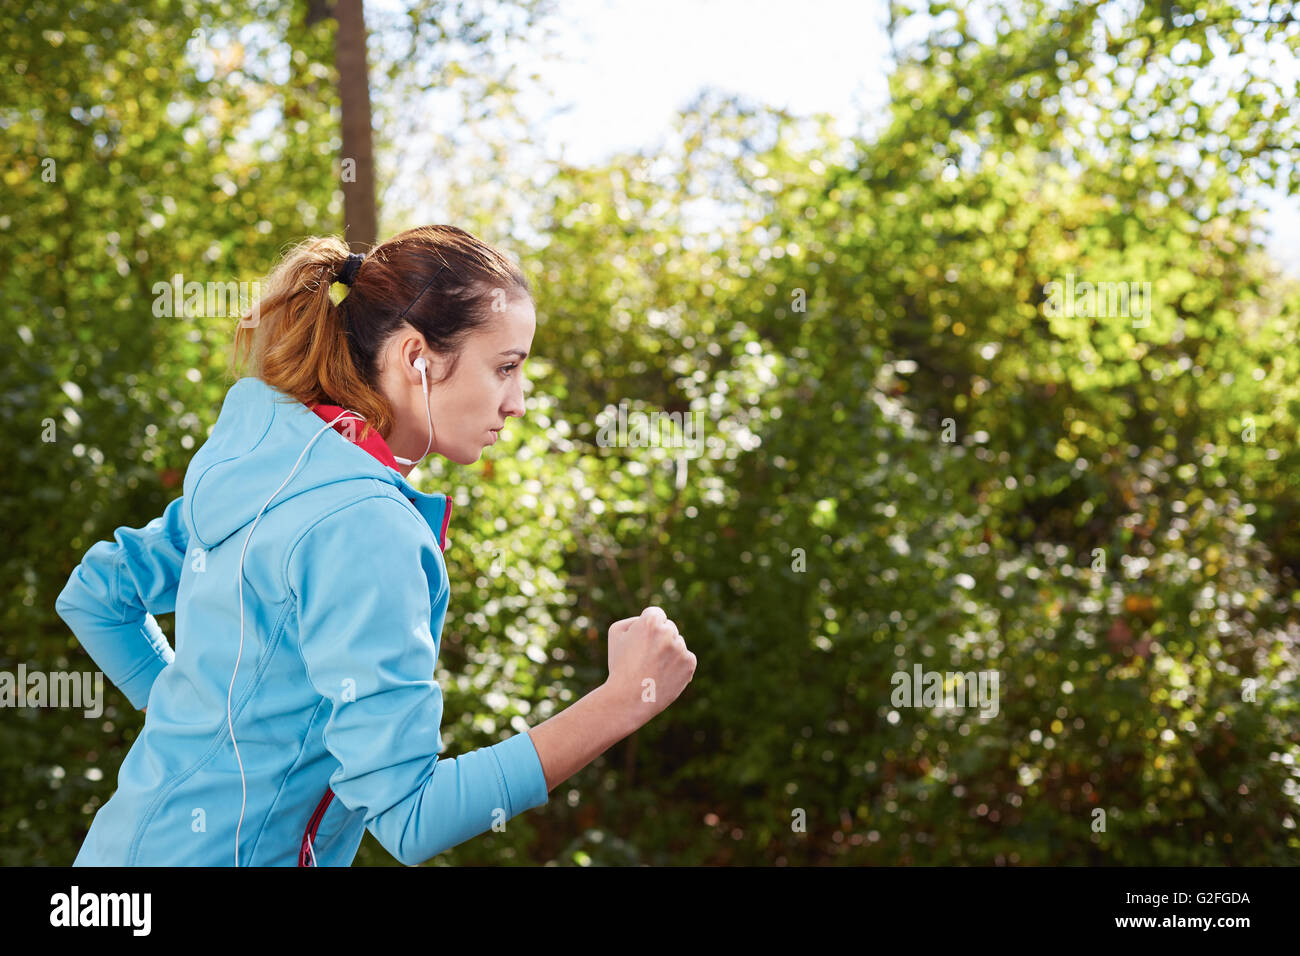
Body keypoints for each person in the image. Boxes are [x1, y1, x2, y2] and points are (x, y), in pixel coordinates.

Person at [55, 224, 696, 866]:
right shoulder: (365, 522)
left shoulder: (270, 458)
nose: (518, 402)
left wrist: (202, 735)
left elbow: (96, 595)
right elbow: (411, 817)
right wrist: (621, 701)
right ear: (417, 357)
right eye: (505, 368)